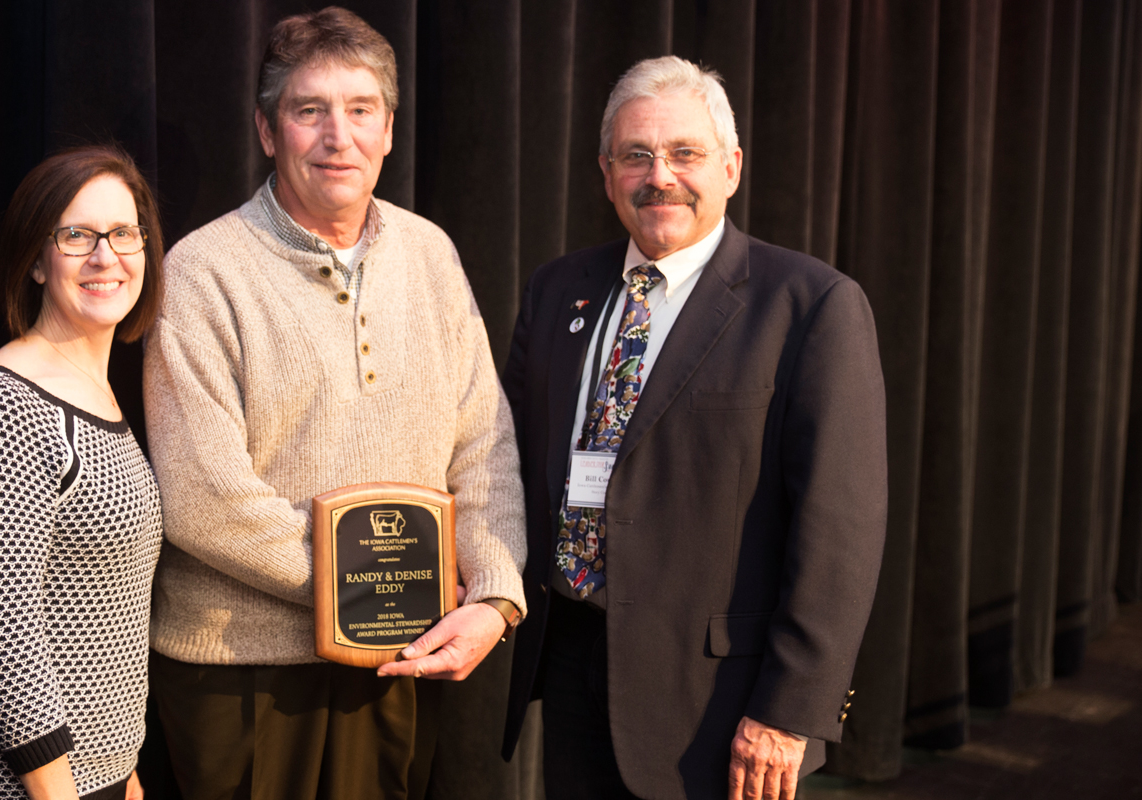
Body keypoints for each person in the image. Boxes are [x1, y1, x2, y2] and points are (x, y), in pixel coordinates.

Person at [141, 7, 527, 800]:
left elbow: (483, 441)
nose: (336, 135)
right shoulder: (202, 272)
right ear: (266, 129)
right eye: (308, 110)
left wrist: (492, 594)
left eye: (361, 111)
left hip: (396, 662)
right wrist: (384, 589)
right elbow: (203, 496)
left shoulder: (432, 255)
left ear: (388, 130)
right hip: (241, 671)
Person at [500, 56, 889, 800]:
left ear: (732, 166)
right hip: (574, 661)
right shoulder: (558, 291)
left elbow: (841, 528)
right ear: (606, 170)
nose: (660, 176)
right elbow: (510, 460)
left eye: (685, 153)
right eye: (636, 156)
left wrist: (789, 709)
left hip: (720, 701)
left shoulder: (809, 305)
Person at [0, 144, 165, 800]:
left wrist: (125, 770)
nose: (106, 255)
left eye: (124, 232)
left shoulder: (101, 393)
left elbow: (101, 612)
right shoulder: (3, 400)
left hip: (98, 776)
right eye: (77, 235)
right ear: (35, 259)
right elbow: (1, 629)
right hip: (5, 784)